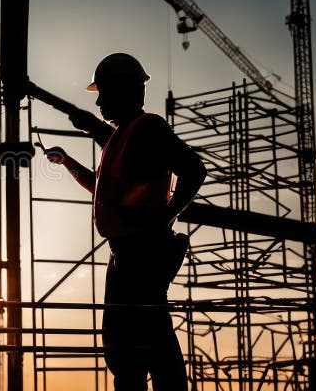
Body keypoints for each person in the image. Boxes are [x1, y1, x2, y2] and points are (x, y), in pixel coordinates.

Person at [42, 53, 206, 391]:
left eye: (103, 92)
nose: (100, 100)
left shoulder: (148, 129)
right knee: (137, 342)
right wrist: (67, 161)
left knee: (142, 343)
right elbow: (101, 189)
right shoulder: (122, 138)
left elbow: (194, 170)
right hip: (126, 254)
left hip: (142, 252)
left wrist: (166, 214)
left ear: (123, 91)